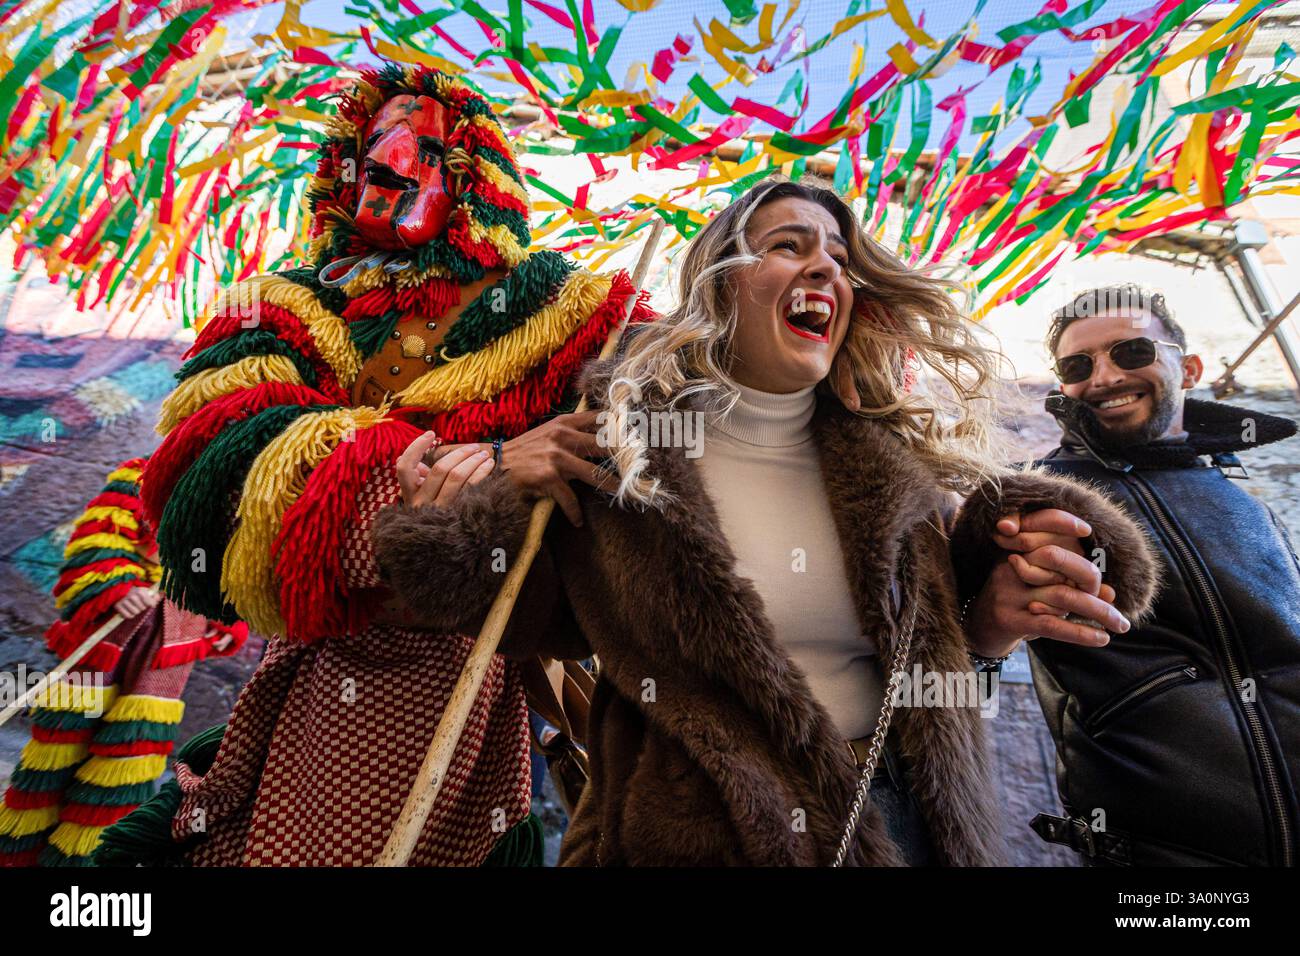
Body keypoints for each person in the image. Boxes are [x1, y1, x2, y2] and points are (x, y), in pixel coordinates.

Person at [370, 180, 1159, 866]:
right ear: (720, 283)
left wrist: (994, 616)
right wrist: (462, 516)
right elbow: (528, 624)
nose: (826, 268)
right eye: (789, 245)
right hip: (699, 839)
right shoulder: (619, 453)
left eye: (842, 261)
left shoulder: (895, 469)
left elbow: (939, 653)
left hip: (914, 826)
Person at [98, 65, 652, 867]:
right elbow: (214, 478)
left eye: (425, 146)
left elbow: (679, 429)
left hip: (473, 691)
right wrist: (493, 473)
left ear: (474, 174)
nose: (391, 162)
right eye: (375, 145)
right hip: (314, 681)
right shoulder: (281, 309)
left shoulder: (570, 312)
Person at [1015, 284, 1300, 866]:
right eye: (1078, 365)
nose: (1104, 377)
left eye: (1131, 352)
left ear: (1188, 367)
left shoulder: (1245, 503)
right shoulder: (1039, 501)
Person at [0, 457, 247, 866]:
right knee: (57, 752)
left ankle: (81, 862)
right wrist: (116, 583)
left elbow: (235, 581)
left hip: (170, 644)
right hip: (112, 633)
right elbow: (97, 537)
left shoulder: (243, 504)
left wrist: (211, 606)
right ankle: (18, 851)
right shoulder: (145, 473)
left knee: (129, 756)